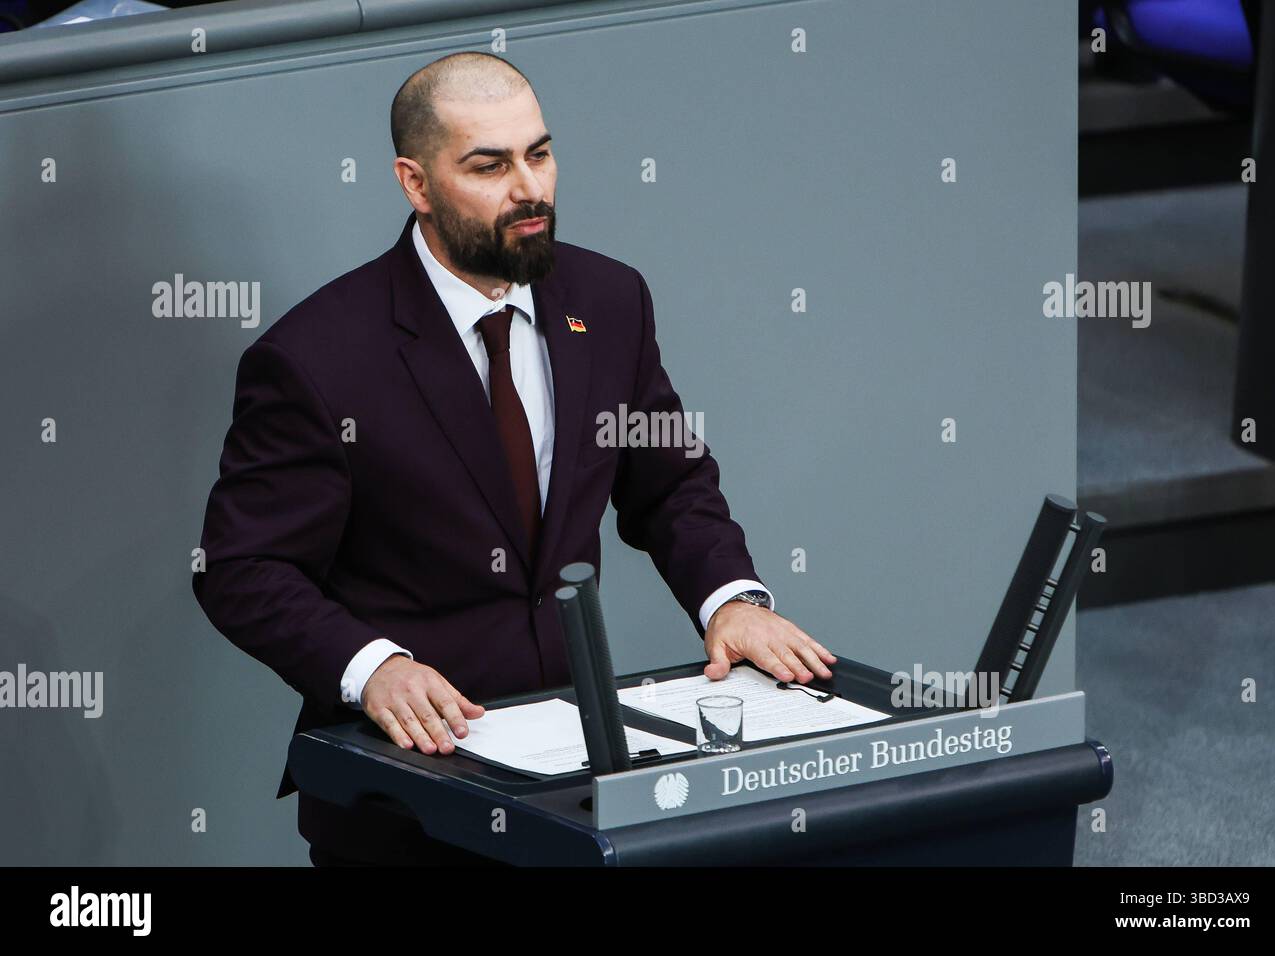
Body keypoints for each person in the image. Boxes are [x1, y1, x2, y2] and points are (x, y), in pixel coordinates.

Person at [192, 51, 836, 866]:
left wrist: (729, 600)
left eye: (539, 154)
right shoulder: (317, 357)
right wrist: (372, 668)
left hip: (577, 780)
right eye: (488, 166)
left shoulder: (610, 301)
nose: (528, 189)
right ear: (415, 183)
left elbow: (669, 484)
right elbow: (242, 568)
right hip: (407, 799)